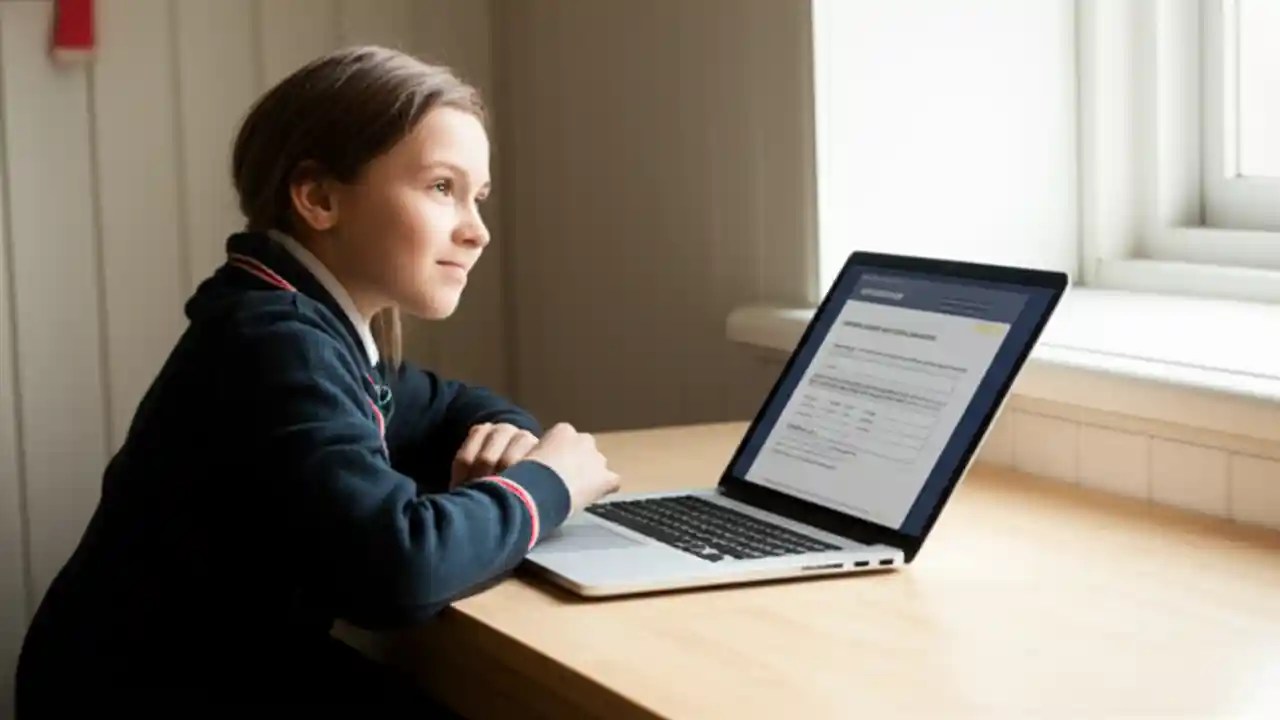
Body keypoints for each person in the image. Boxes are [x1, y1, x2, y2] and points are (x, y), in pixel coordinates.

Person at [14, 44, 620, 714]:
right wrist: (547, 486)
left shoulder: (302, 324)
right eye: (442, 189)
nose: (476, 230)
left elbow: (450, 405)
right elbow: (399, 570)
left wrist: (507, 437)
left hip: (218, 666)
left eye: (478, 196)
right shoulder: (272, 345)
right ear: (319, 197)